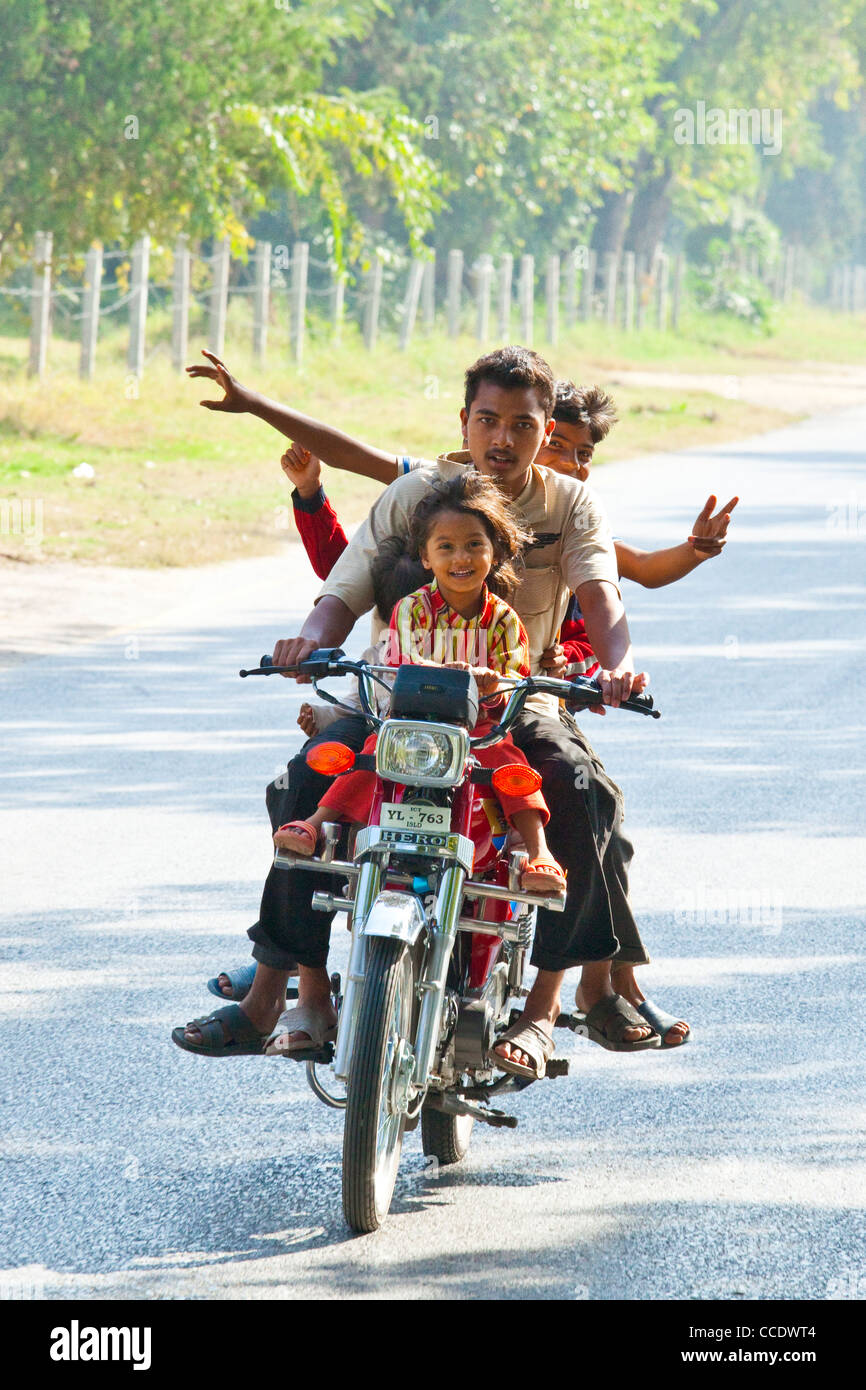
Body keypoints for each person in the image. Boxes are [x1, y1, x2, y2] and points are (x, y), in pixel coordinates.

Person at [176, 344, 661, 1076]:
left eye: (523, 426)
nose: (504, 440)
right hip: (397, 699)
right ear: (464, 421)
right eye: (489, 421)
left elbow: (601, 594)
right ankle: (284, 993)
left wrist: (618, 666)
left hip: (506, 702)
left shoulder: (570, 503)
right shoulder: (415, 494)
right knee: (303, 784)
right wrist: (306, 644)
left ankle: (546, 1008)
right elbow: (345, 587)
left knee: (581, 791)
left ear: (545, 430)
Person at [264, 474, 567, 1072]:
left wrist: (491, 681)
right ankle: (316, 823)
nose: (461, 557)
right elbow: (397, 667)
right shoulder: (408, 609)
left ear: (496, 551)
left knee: (517, 770)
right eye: (446, 547)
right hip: (411, 736)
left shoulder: (504, 619)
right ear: (425, 556)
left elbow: (512, 674)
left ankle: (539, 853)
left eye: (474, 544)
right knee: (363, 762)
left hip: (477, 736)